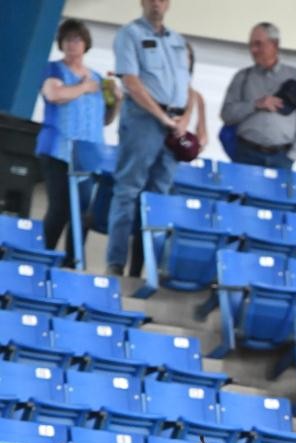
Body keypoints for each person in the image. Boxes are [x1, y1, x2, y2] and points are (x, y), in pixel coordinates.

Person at [106, 0, 190, 275]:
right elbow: (131, 82)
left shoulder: (178, 40)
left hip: (172, 124)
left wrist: (183, 119)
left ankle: (144, 269)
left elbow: (185, 85)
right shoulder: (129, 34)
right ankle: (116, 265)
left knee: (159, 197)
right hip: (143, 120)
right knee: (129, 190)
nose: (157, 3)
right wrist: (162, 116)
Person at [35, 17, 120, 267]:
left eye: (78, 39)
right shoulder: (54, 69)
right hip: (58, 150)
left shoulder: (96, 78)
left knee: (82, 214)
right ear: (61, 44)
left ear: (86, 44)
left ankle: (72, 264)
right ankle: (41, 257)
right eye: (68, 39)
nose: (73, 44)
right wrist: (82, 88)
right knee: (59, 207)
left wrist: (116, 101)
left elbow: (104, 119)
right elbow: (54, 94)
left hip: (89, 154)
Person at [220, 23, 296, 169]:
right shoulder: (242, 77)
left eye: (258, 44)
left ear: (275, 44)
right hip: (246, 154)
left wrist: (292, 155)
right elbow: (226, 115)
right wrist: (256, 104)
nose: (253, 50)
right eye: (251, 45)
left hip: (281, 158)